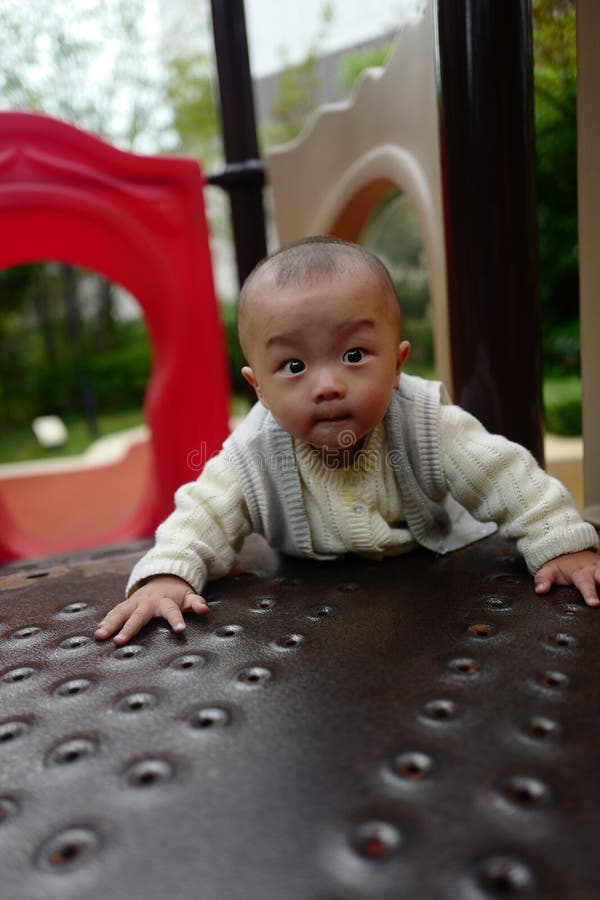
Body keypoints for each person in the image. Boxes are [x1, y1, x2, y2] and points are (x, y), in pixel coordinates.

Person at [95, 236, 600, 646]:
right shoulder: (253, 453)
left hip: (437, 583)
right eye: (294, 366)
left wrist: (559, 543)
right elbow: (200, 515)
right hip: (309, 605)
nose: (328, 384)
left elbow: (506, 476)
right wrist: (167, 575)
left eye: (355, 355)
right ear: (259, 389)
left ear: (398, 364)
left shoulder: (425, 424)